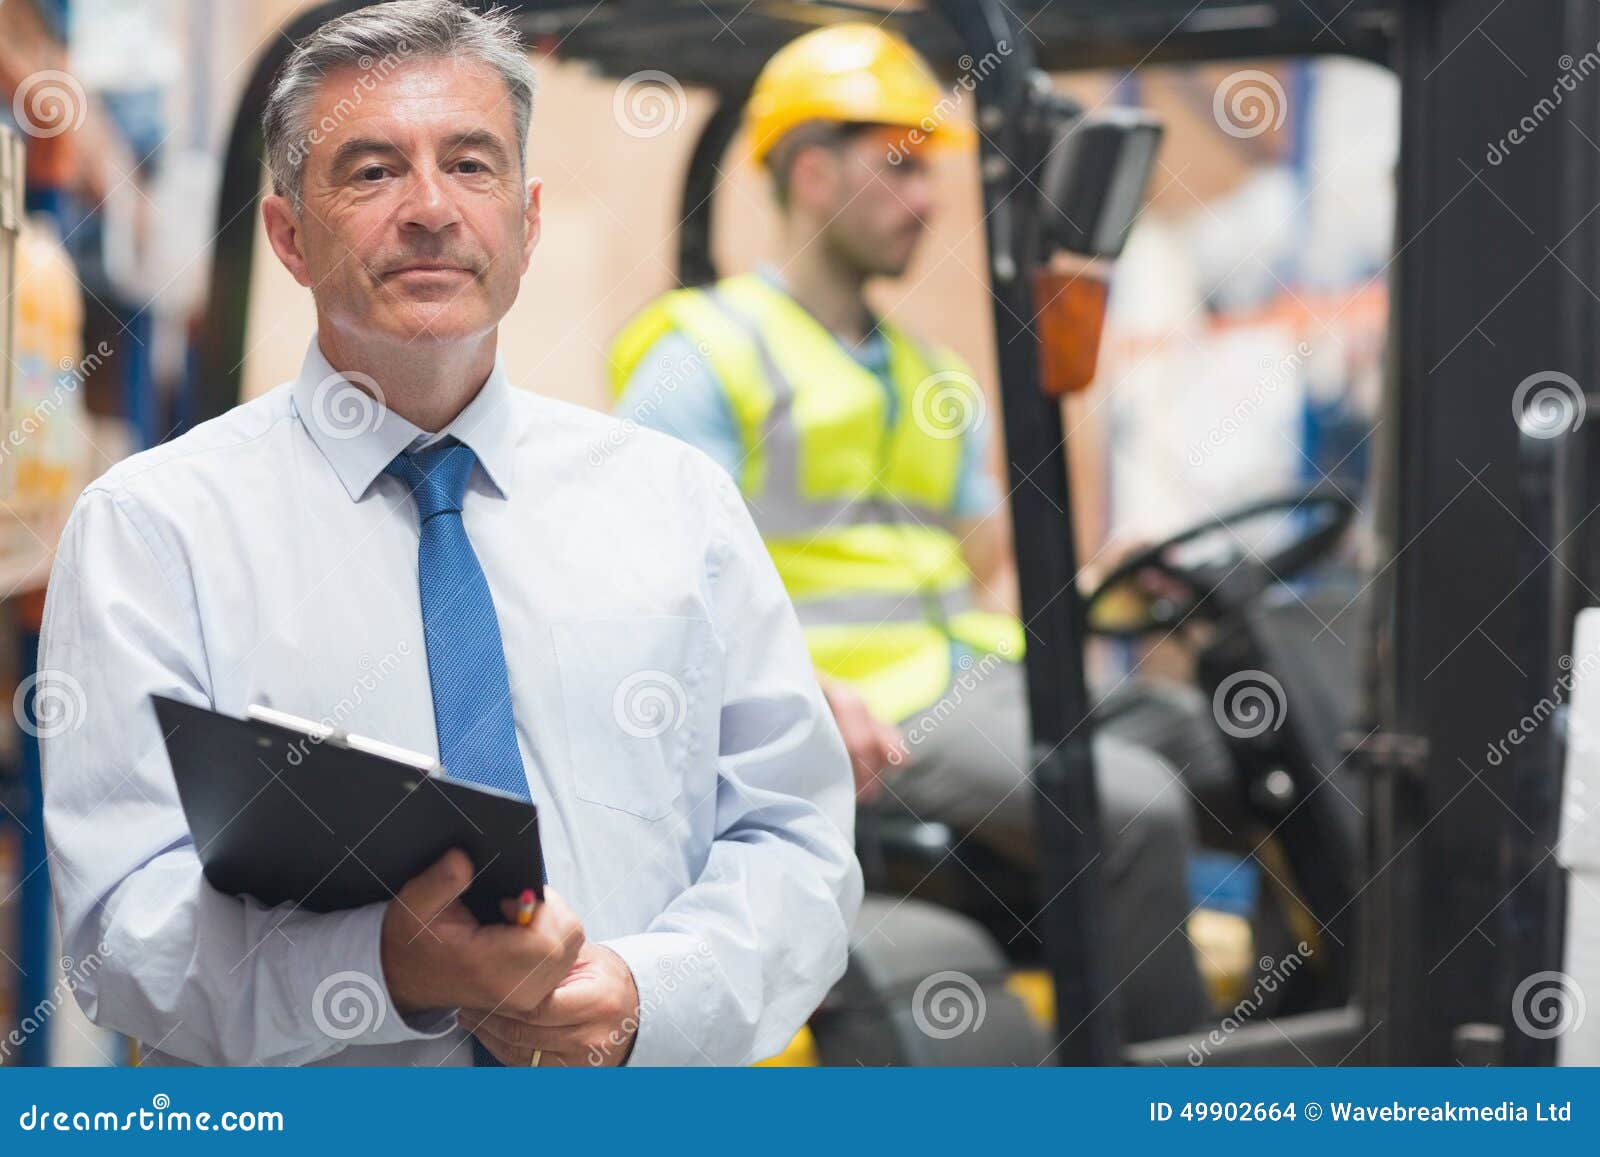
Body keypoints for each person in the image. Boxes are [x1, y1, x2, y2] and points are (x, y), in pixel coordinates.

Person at [38, 0, 860, 1068]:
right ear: (289, 235)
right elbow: (115, 930)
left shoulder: (676, 507)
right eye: (372, 171)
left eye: (469, 165)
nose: (430, 208)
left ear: (525, 220)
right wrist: (377, 966)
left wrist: (646, 996)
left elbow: (795, 841)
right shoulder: (154, 531)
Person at [610, 23, 1204, 1040]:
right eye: (898, 168)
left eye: (930, 171)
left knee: (1219, 737)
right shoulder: (703, 354)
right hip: (854, 702)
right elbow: (647, 585)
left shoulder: (933, 375)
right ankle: (1167, 1101)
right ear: (806, 171)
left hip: (965, 667)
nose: (927, 199)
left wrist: (1112, 580)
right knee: (1132, 807)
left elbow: (978, 562)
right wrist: (791, 692)